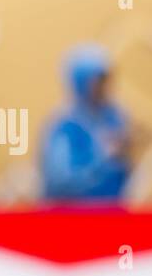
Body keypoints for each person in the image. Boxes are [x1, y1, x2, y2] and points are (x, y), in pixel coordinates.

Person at [40, 44, 130, 201]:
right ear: (81, 82)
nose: (105, 88)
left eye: (106, 81)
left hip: (110, 214)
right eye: (98, 82)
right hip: (71, 217)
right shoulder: (65, 124)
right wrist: (104, 159)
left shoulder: (114, 117)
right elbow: (59, 182)